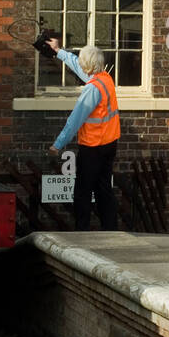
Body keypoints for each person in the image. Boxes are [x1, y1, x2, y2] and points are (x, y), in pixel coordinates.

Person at [46, 40, 120, 230]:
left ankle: (82, 233)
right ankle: (110, 231)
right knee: (104, 189)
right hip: (110, 143)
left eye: (82, 61)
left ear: (88, 65)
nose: (79, 63)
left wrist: (58, 144)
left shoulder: (91, 89)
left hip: (93, 147)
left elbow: (75, 120)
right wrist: (58, 52)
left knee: (82, 191)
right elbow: (79, 68)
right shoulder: (105, 79)